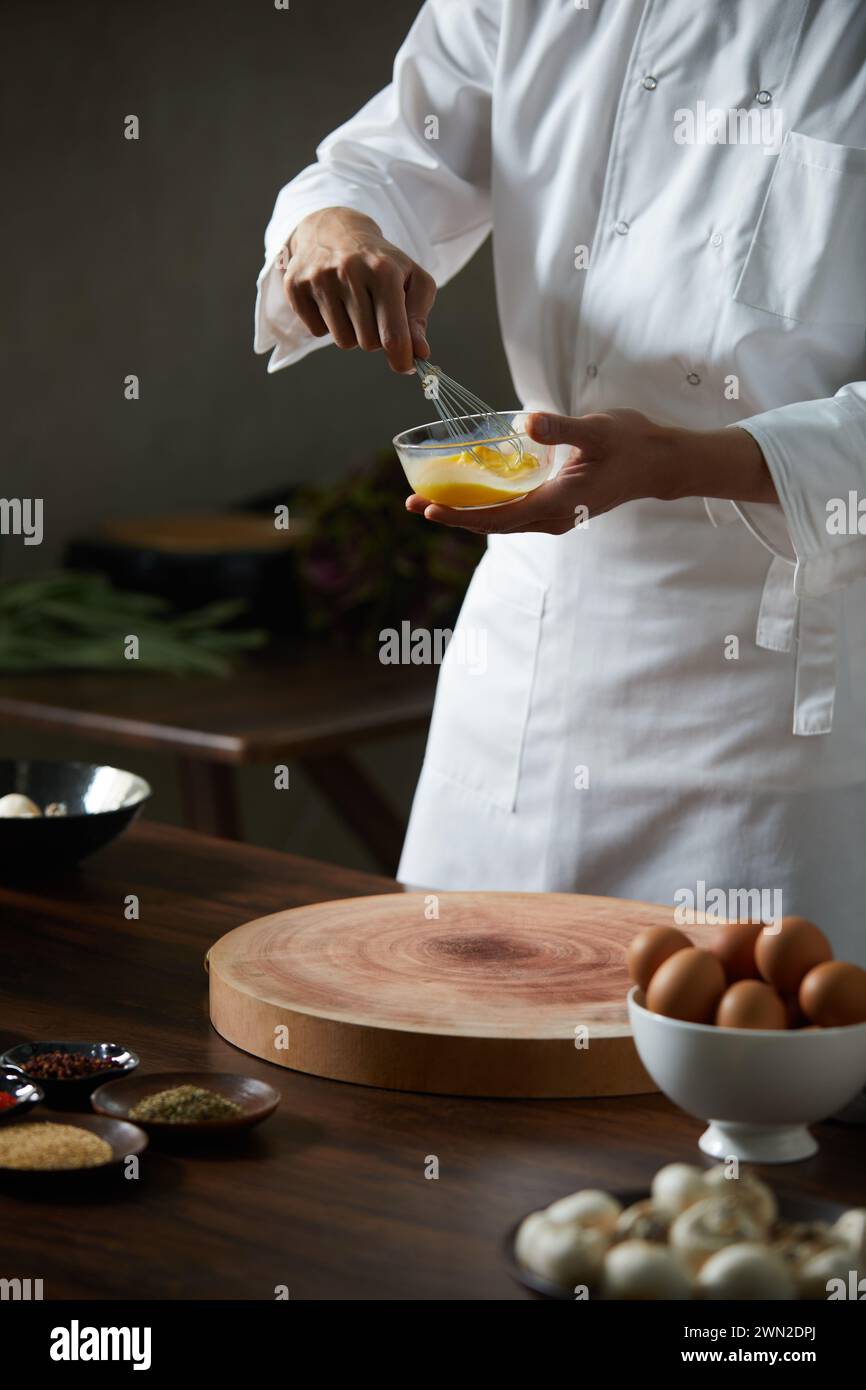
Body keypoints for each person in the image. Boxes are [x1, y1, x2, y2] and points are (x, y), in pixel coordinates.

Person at [256, 1, 866, 964]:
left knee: (738, 1083)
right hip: (529, 674)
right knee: (455, 1048)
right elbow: (387, 157)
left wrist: (677, 462)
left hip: (771, 693)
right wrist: (334, 225)